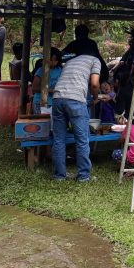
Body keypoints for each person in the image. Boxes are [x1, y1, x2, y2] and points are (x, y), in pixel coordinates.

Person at [50, 51, 100, 182]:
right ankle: (83, 176)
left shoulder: (70, 61)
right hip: (76, 100)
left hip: (57, 98)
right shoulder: (95, 60)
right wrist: (95, 98)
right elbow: (94, 84)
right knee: (82, 139)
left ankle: (59, 176)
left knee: (59, 139)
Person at [32, 47, 63, 112]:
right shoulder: (41, 70)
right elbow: (34, 88)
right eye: (50, 59)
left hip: (54, 102)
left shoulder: (60, 70)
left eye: (54, 60)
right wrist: (49, 90)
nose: (53, 62)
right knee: (41, 121)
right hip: (40, 102)